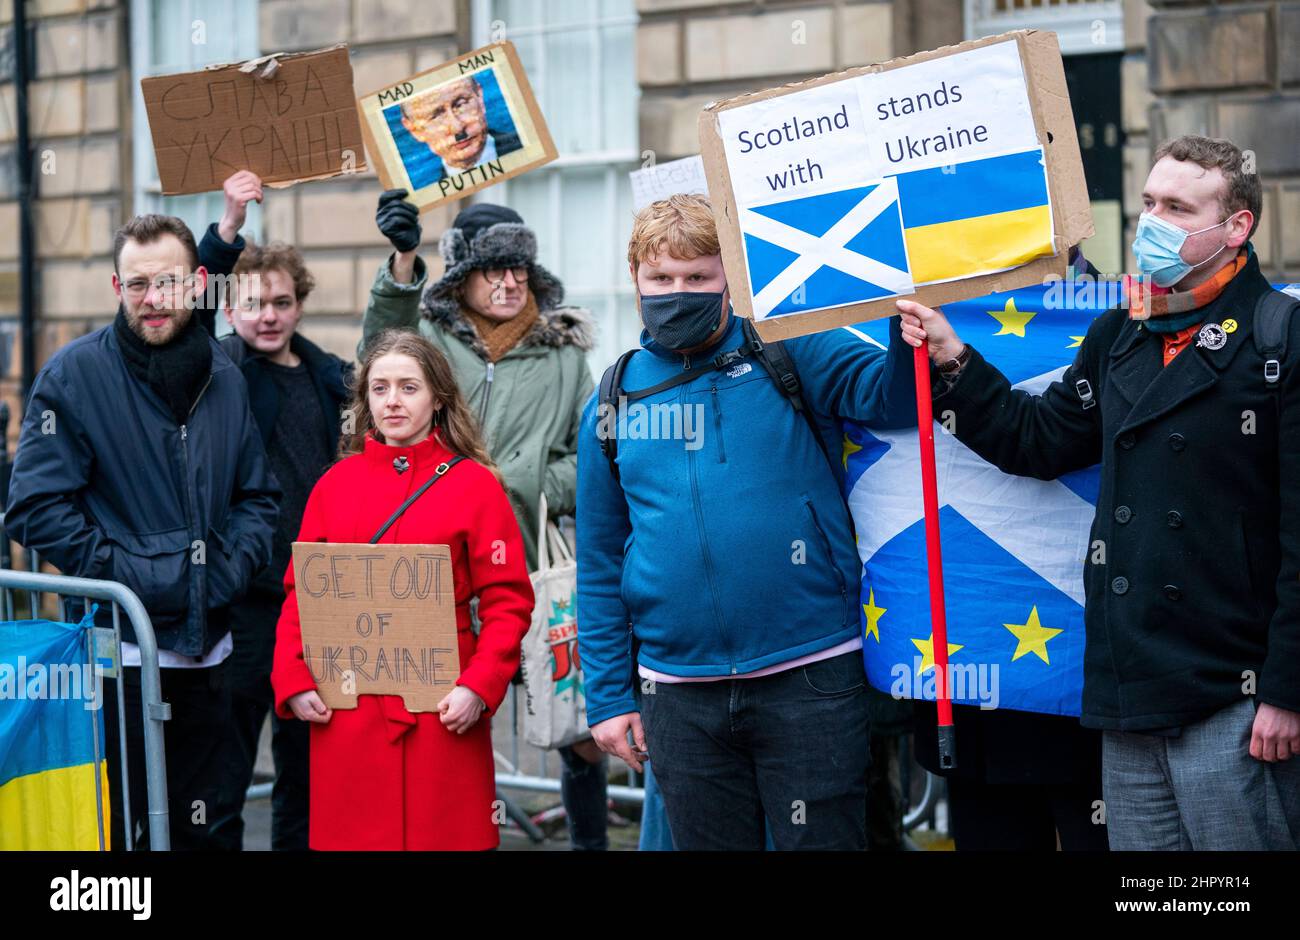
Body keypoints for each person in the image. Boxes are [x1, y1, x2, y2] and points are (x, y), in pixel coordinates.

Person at [897, 134, 1300, 850]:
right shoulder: (1119, 330)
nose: (1152, 221)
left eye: (1178, 207)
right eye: (1148, 202)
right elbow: (1040, 440)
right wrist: (953, 360)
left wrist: (1288, 693)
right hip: (1128, 691)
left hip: (1234, 697)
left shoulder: (1281, 336)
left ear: (1236, 226)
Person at [577, 193, 917, 851]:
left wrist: (907, 335)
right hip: (679, 698)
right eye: (662, 280)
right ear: (636, 280)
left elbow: (892, 401)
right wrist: (610, 698)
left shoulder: (789, 348)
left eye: (698, 277)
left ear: (731, 276)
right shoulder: (611, 399)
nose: (679, 292)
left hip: (811, 676)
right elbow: (599, 562)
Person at [5, 213, 279, 850]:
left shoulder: (226, 375)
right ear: (116, 286)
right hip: (115, 661)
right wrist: (138, 578)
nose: (153, 300)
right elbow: (35, 508)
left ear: (198, 285)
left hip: (210, 655)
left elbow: (258, 498)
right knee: (117, 837)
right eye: (137, 285)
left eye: (168, 284)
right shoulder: (72, 377)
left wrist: (226, 570)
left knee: (205, 830)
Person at [362, 192, 608, 850]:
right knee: (445, 721)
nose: (508, 283)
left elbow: (590, 457)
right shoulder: (429, 341)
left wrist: (523, 483)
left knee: (577, 727)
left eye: (519, 272)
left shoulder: (564, 357)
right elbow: (376, 354)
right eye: (493, 270)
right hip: (436, 572)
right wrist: (403, 260)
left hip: (529, 567)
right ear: (461, 278)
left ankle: (588, 844)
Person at [270, 330, 534, 850]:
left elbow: (508, 600)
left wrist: (479, 686)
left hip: (442, 707)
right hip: (348, 711)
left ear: (437, 397)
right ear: (365, 399)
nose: (392, 400)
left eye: (409, 387)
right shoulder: (333, 485)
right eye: (380, 387)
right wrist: (293, 676)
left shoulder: (476, 486)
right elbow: (302, 594)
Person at [198, 172, 353, 851]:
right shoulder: (215, 372)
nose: (268, 314)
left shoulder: (331, 377)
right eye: (253, 302)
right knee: (225, 770)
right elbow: (188, 312)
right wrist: (229, 223)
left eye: (281, 302)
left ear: (299, 306)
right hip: (246, 602)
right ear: (233, 309)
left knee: (310, 770)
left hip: (320, 602)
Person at [399, 77, 522, 187]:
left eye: (461, 104)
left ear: (480, 98)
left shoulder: (525, 146)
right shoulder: (422, 189)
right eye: (436, 116)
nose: (457, 128)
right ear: (415, 130)